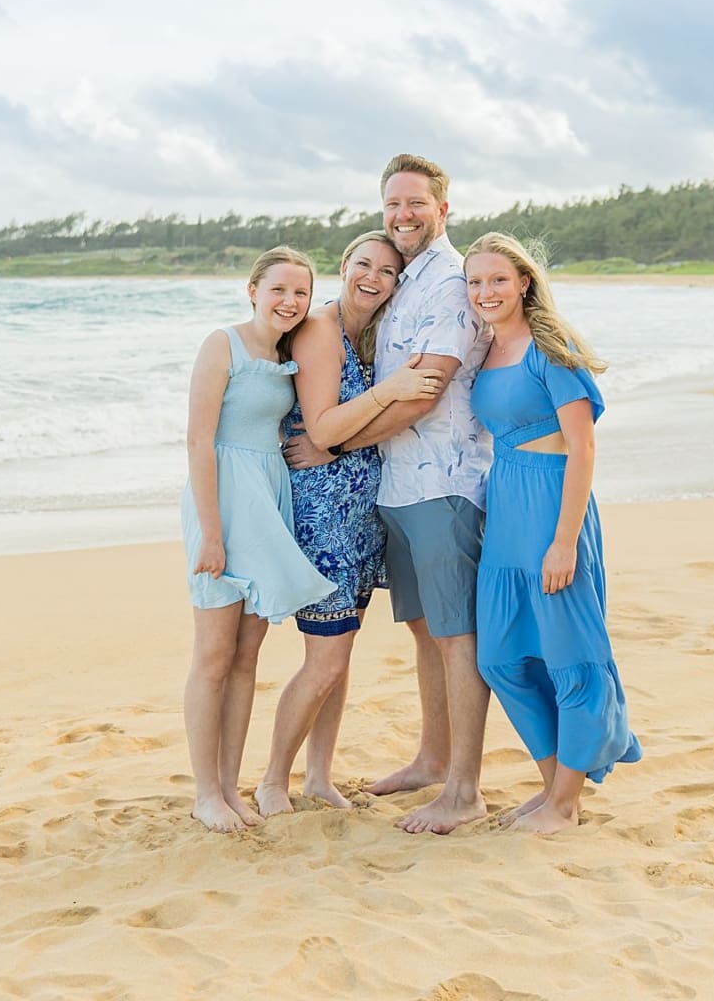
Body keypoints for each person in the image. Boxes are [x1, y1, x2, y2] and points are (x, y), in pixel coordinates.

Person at [288, 154, 492, 834]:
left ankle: (463, 788)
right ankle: (433, 758)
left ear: (442, 208)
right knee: (424, 631)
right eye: (392, 205)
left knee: (456, 637)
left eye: (415, 203)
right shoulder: (402, 281)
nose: (402, 215)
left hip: (443, 483)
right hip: (397, 487)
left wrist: (334, 442)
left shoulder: (451, 283)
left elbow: (423, 393)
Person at [255, 231, 446, 816]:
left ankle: (318, 777)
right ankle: (271, 781)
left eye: (388, 271)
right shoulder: (319, 330)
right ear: (344, 266)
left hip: (363, 516)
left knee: (339, 653)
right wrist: (390, 390)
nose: (374, 277)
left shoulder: (373, 336)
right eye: (364, 264)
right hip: (325, 517)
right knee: (326, 660)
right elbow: (323, 431)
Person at [464, 232, 642, 836]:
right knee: (502, 658)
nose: (485, 292)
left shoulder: (549, 347)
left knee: (572, 658)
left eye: (497, 279)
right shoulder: (485, 351)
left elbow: (583, 447)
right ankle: (551, 789)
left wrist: (564, 541)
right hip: (506, 510)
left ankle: (565, 802)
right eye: (475, 281)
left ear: (524, 283)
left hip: (552, 506)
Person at [181, 247, 336, 834]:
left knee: (246, 656)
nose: (290, 302)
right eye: (279, 290)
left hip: (268, 498)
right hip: (221, 498)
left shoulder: (289, 353)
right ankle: (204, 792)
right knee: (214, 654)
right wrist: (212, 533)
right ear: (253, 290)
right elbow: (198, 442)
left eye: (301, 292)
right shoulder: (222, 344)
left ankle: (228, 786)